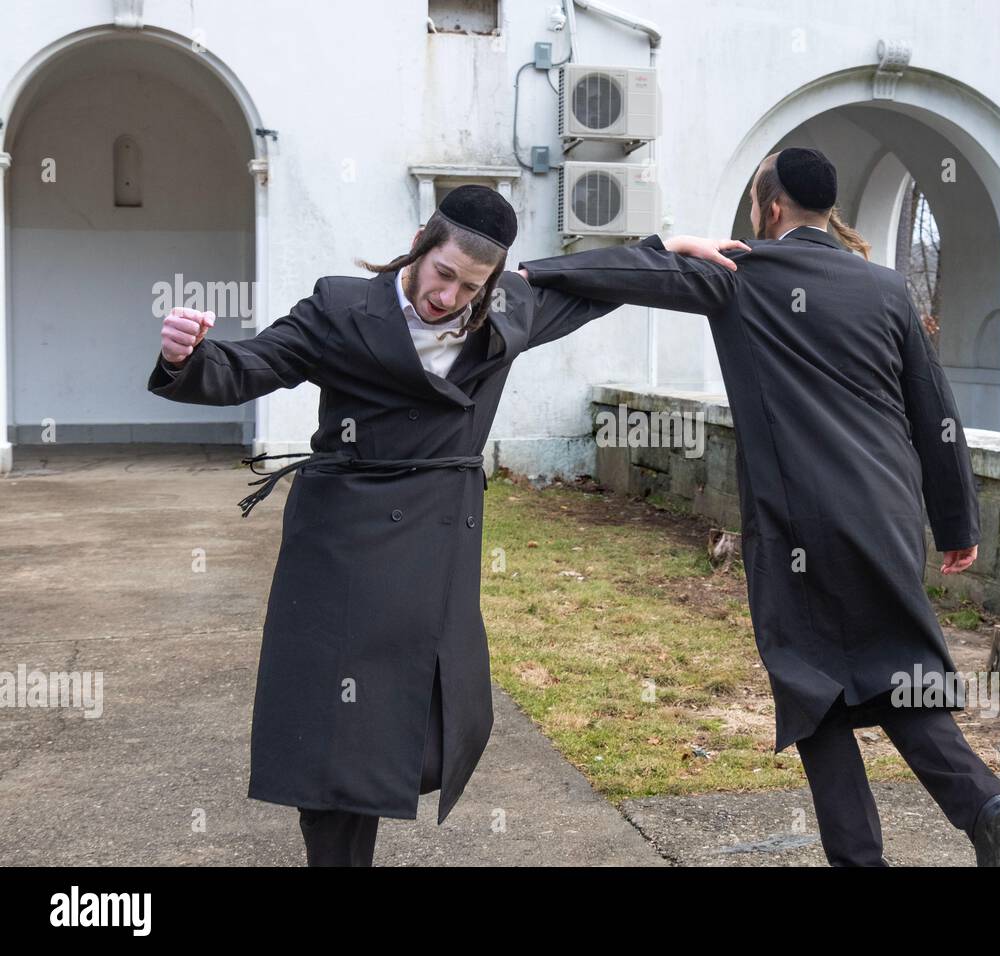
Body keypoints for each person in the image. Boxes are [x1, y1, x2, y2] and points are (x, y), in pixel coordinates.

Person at [147, 185, 708, 866]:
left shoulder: (505, 312)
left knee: (438, 730)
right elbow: (253, 363)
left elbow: (586, 289)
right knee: (334, 741)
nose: (449, 297)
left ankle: (364, 780)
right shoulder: (340, 307)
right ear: (420, 244)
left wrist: (661, 251)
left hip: (435, 549)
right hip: (341, 546)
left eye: (471, 286)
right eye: (443, 274)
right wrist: (188, 356)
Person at [517, 148, 1000, 867]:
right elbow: (935, 416)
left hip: (800, 526)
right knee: (899, 674)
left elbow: (631, 278)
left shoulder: (741, 274)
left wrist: (533, 273)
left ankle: (861, 861)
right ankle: (987, 806)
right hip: (889, 516)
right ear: (828, 211)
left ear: (768, 210)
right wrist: (956, 523)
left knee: (813, 688)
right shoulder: (887, 289)